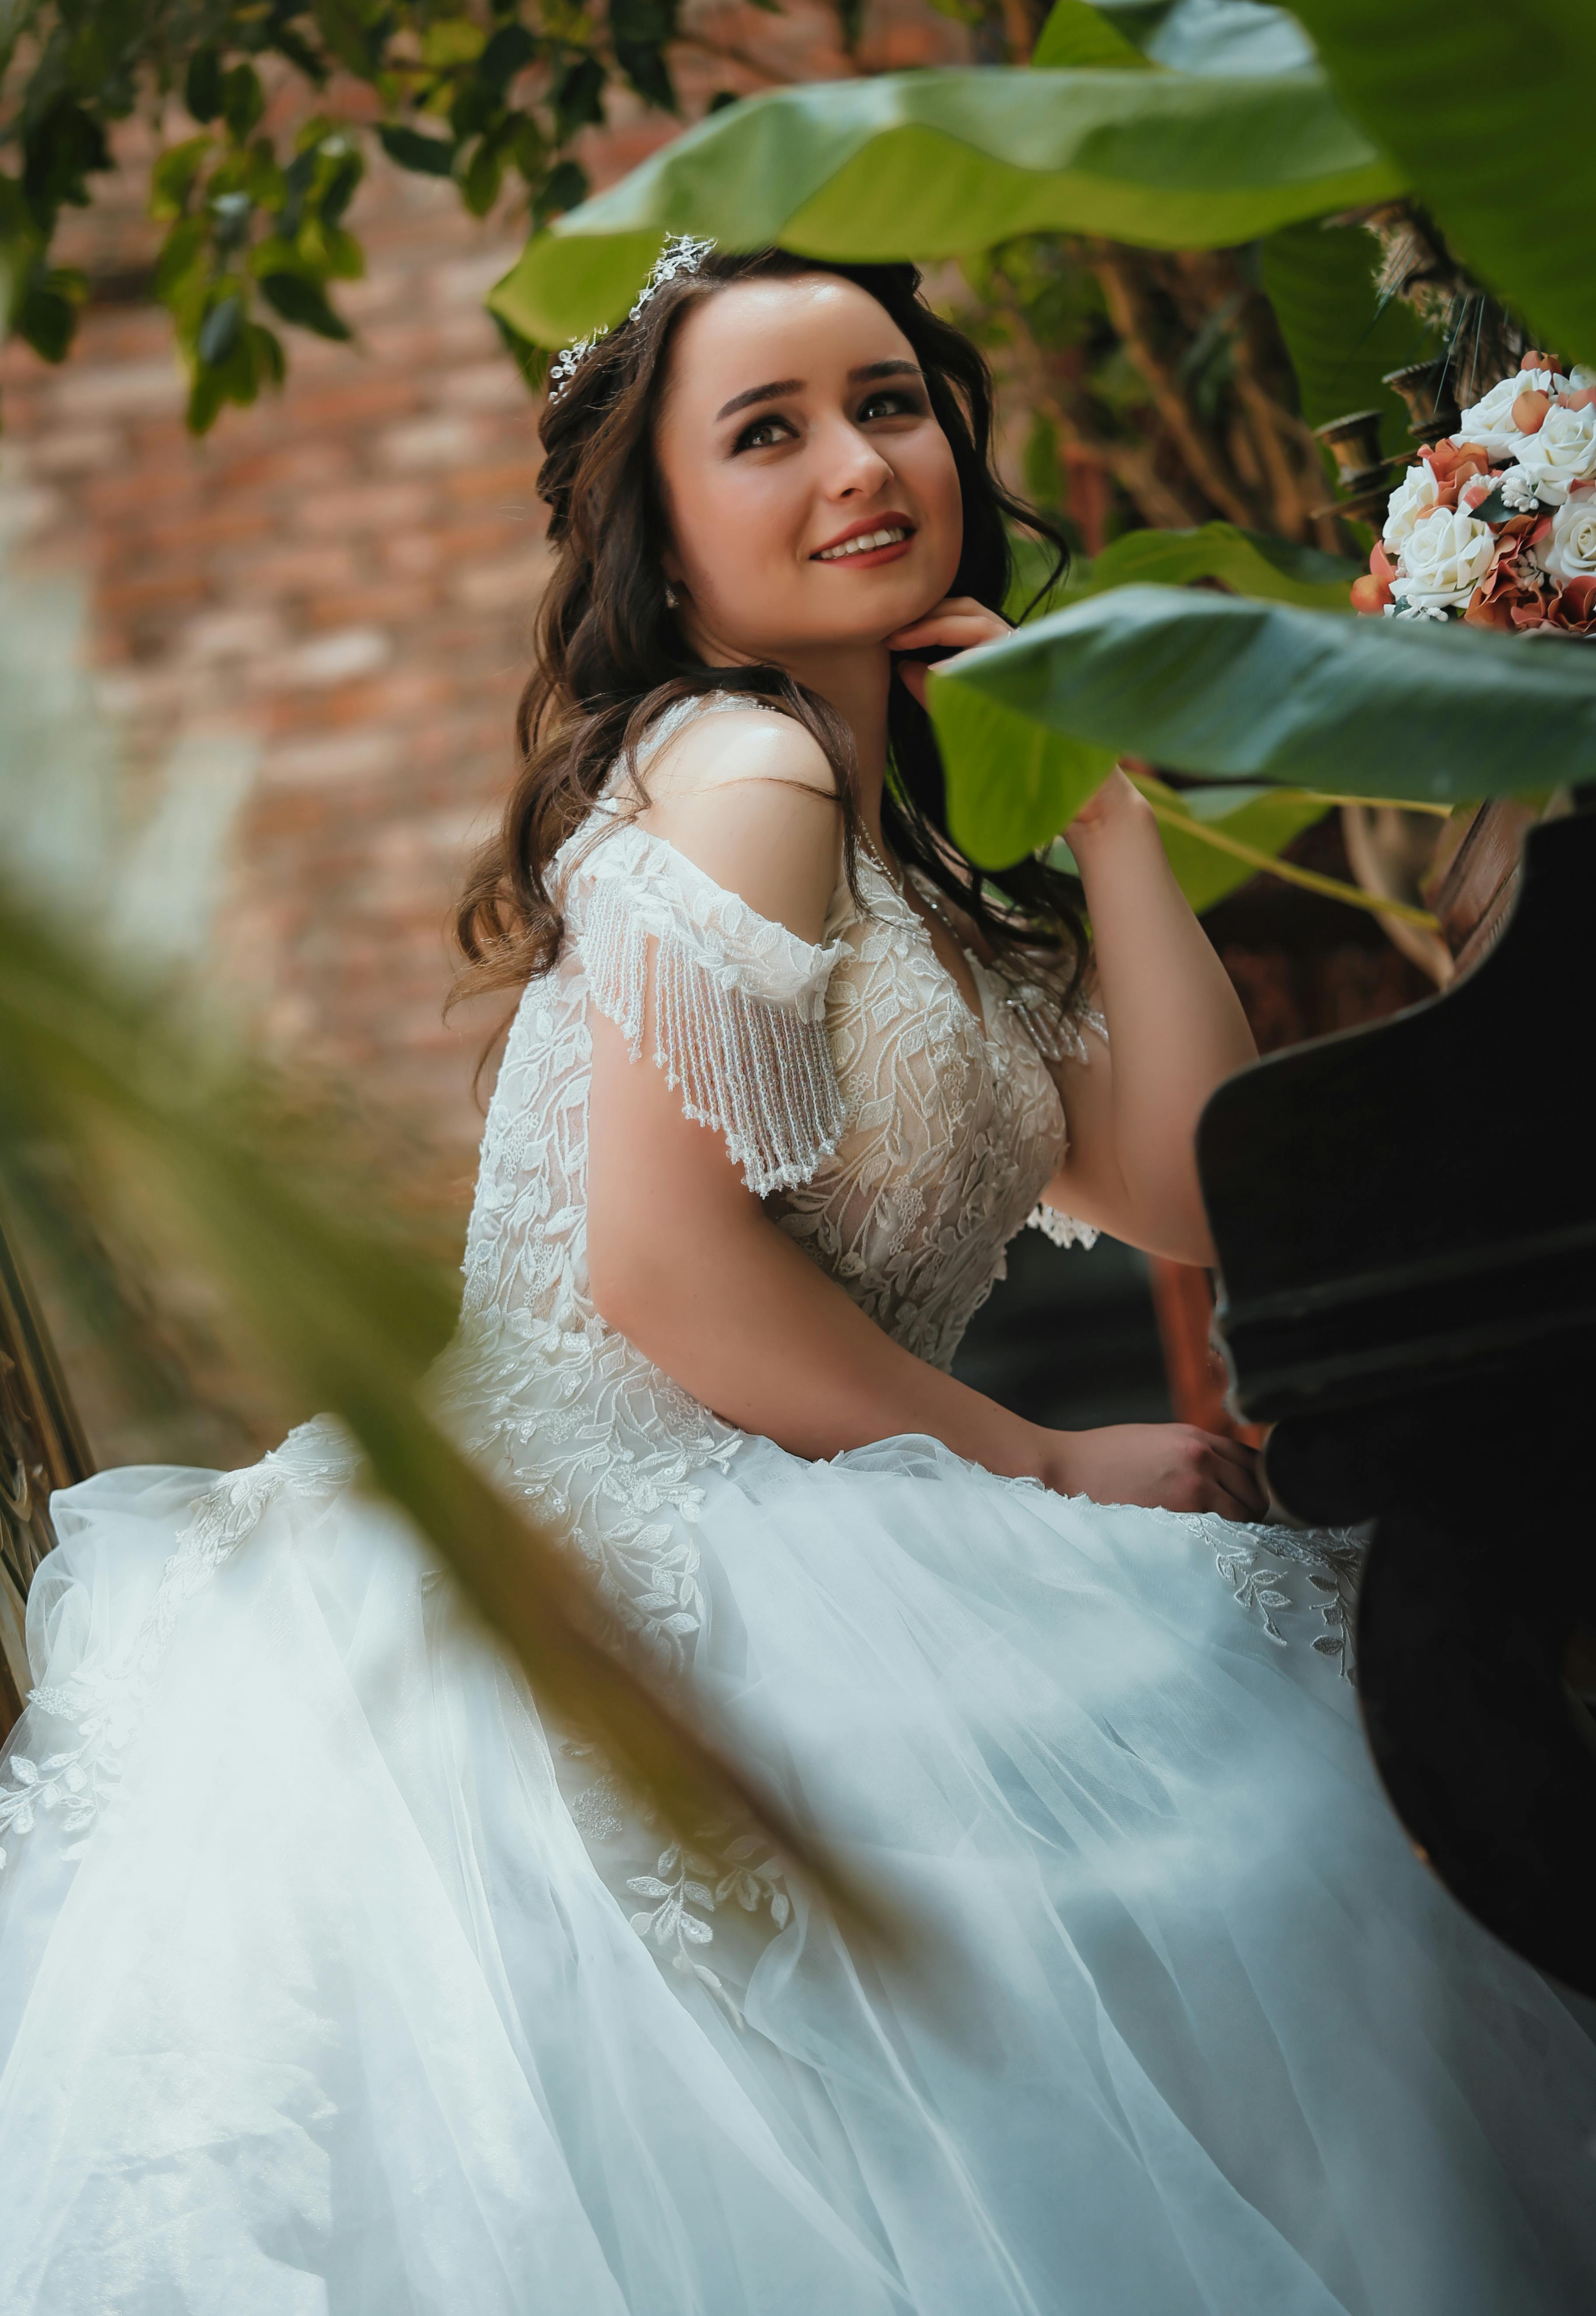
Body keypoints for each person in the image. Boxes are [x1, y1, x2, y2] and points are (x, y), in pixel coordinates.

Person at [1, 241, 1592, 2316]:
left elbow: (1193, 1188)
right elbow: (662, 1271)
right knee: (1265, 1849)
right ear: (663, 546)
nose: (859, 461)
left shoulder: (906, 838)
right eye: (769, 433)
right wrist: (1041, 1459)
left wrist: (1101, 796)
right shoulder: (742, 775)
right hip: (640, 1542)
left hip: (820, 1497)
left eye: (892, 401)